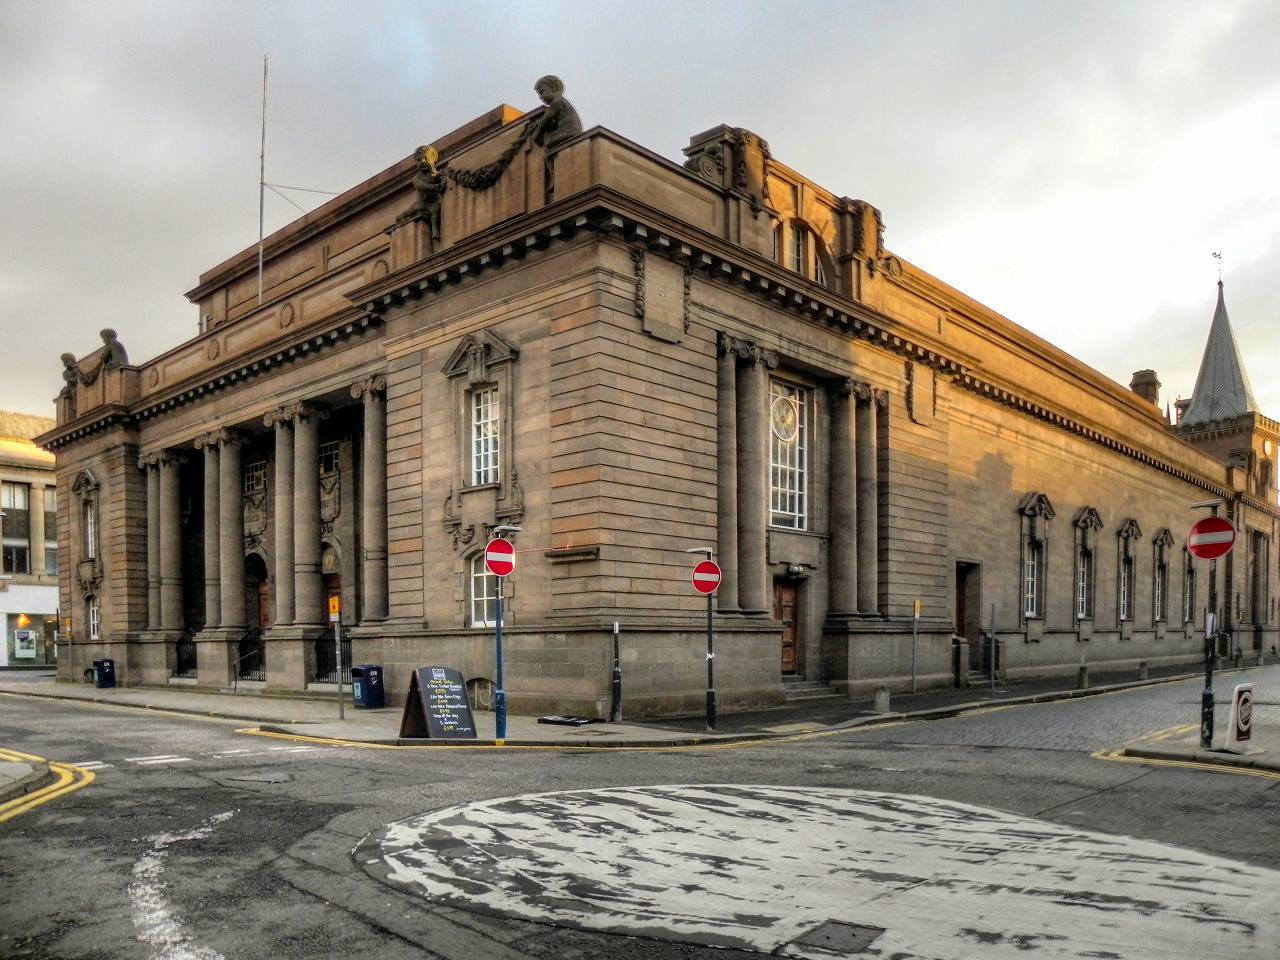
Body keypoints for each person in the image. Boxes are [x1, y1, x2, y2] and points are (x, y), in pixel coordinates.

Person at [529, 75, 581, 150]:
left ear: (552, 88)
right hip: (573, 130)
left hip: (569, 132)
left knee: (548, 143)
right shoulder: (563, 102)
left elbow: (544, 122)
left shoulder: (556, 103)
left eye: (542, 92)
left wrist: (535, 137)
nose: (540, 97)